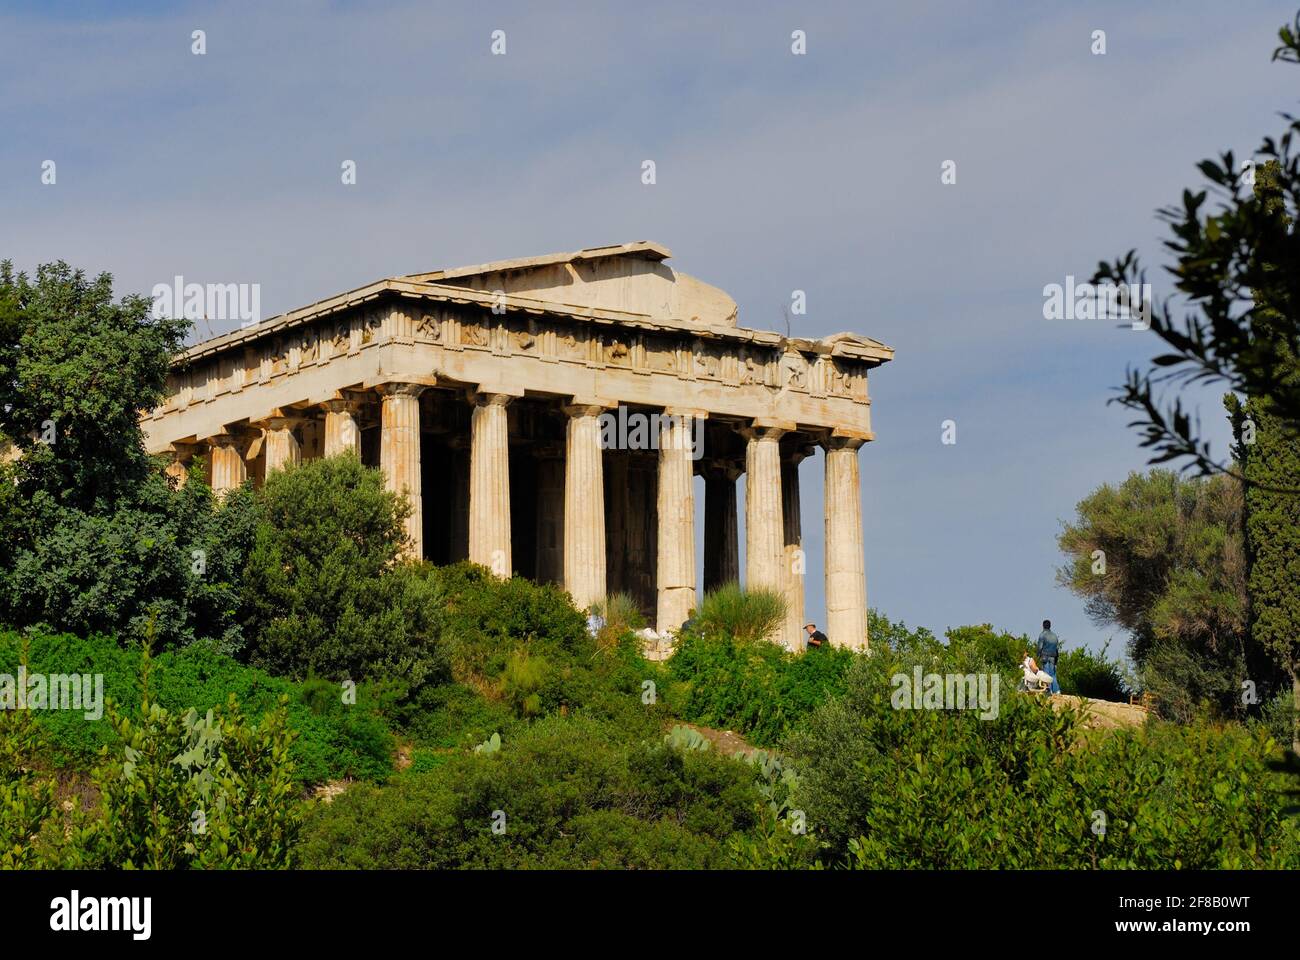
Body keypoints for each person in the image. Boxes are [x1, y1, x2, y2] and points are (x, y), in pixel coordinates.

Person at [1036, 619, 1061, 694]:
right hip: (1053, 657)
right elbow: (1056, 649)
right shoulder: (1055, 636)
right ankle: (1057, 690)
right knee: (1053, 674)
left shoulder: (1042, 635)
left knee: (1046, 674)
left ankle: (1048, 690)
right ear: (1050, 626)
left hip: (1045, 657)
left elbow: (1040, 647)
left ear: (1043, 626)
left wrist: (1037, 656)